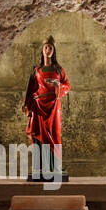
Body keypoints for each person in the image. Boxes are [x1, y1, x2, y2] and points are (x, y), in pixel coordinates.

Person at [23, 35, 70, 178]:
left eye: (50, 48)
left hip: (54, 108)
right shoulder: (36, 70)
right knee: (39, 136)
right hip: (38, 107)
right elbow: (30, 90)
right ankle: (39, 168)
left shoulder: (58, 70)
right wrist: (28, 106)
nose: (48, 50)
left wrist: (58, 85)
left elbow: (67, 86)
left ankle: (54, 167)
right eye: (45, 47)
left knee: (54, 135)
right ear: (42, 50)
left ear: (53, 51)